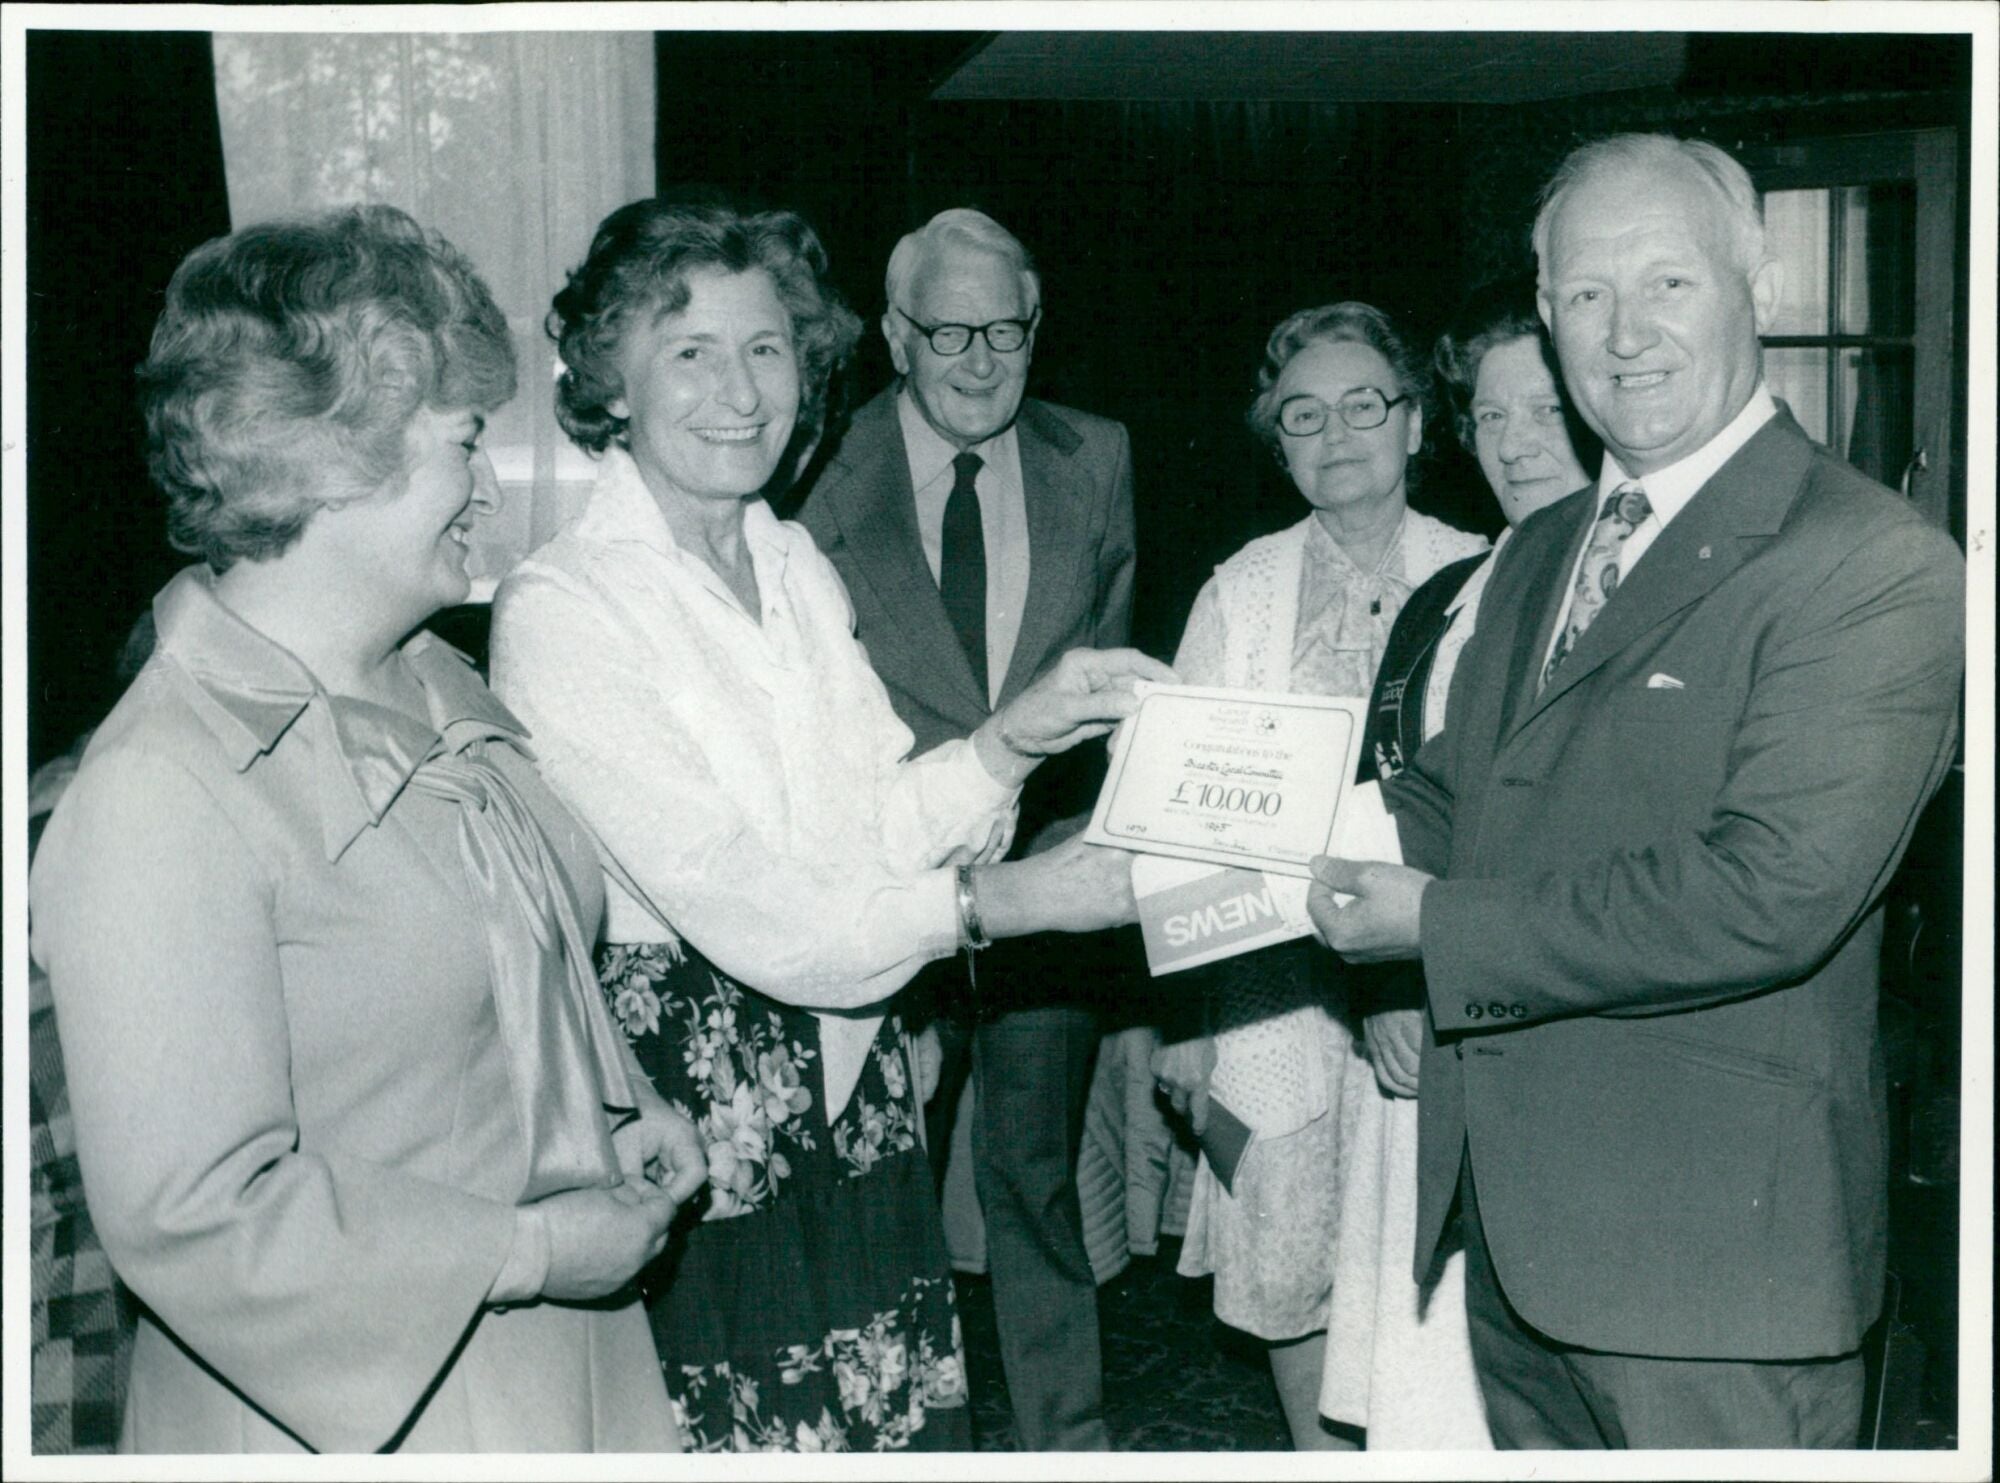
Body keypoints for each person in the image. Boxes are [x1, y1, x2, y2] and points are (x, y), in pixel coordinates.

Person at [1311, 134, 1965, 1449]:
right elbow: (1452, 799)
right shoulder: (1542, 546)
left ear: (1756, 287)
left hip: (1714, 1277)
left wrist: (1429, 923)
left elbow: (1766, 892)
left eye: (1667, 282)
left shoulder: (1871, 558)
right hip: (1518, 1248)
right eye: (1587, 293)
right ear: (1544, 315)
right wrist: (1240, 835)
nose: (1625, 333)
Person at [488, 199, 1164, 1453]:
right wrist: (1006, 901)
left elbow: (875, 820)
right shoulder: (563, 606)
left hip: (852, 1076)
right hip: (701, 1116)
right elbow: (757, 909)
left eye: (766, 349)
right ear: (608, 380)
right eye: (690, 352)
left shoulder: (792, 562)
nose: (740, 391)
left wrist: (1017, 735)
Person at [29, 205, 706, 1454]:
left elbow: (495, 982)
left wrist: (618, 1106)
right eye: (463, 442)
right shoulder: (160, 788)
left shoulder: (438, 685)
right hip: (364, 1411)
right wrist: (528, 1249)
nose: (487, 486)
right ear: (337, 460)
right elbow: (197, 1212)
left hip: (562, 1362)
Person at [797, 207, 1135, 1451]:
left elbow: (1100, 680)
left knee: (1031, 1181)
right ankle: (890, 1433)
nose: (982, 359)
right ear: (895, 334)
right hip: (875, 881)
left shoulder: (1096, 455)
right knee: (873, 1177)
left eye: (1007, 329)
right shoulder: (814, 466)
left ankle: (1067, 1442)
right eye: (949, 332)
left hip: (1041, 883)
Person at [1152, 302, 1487, 1449]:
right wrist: (1184, 1018)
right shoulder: (1237, 591)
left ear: (1414, 422)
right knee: (1283, 1252)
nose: (1336, 434)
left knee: (1418, 1253)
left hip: (1427, 979)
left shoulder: (1482, 572)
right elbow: (1179, 818)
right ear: (1276, 443)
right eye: (1303, 415)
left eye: (1362, 405)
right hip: (1265, 987)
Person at [1317, 279, 1598, 1450]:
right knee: (1432, 1386)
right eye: (1489, 416)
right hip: (1428, 1036)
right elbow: (1392, 808)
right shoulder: (1444, 597)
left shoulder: (1626, 599)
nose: (1515, 444)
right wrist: (1384, 984)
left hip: (1567, 1042)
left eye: (1542, 412)